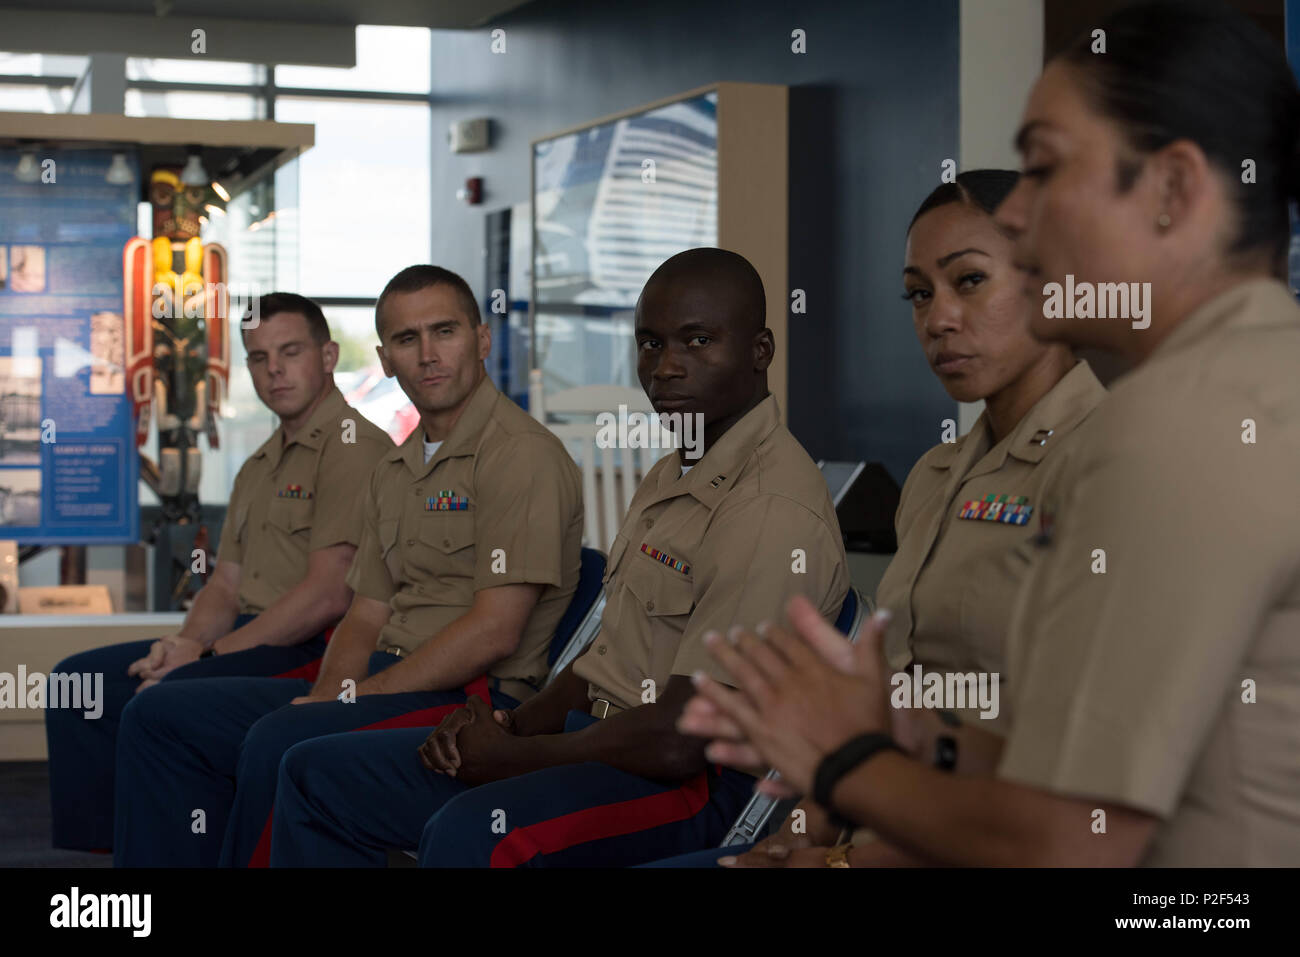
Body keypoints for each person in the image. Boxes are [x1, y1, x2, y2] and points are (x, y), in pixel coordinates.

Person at [683, 0, 1300, 867]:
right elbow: (1086, 778)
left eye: (1044, 170)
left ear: (1174, 190)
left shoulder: (1175, 426)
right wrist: (905, 734)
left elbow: (1068, 846)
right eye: (920, 293)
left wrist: (840, 763)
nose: (1018, 217)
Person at [266, 247, 850, 867]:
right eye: (651, 344)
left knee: (472, 834)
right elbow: (604, 658)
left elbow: (683, 741)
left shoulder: (767, 508)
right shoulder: (673, 469)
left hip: (690, 788)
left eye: (698, 341)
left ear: (760, 352)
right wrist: (507, 727)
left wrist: (513, 758)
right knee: (315, 774)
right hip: (602, 740)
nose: (667, 368)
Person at [645, 171, 1107, 868]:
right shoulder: (933, 478)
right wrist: (803, 834)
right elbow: (892, 706)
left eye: (970, 281)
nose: (938, 318)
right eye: (919, 294)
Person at [112, 264, 584, 867]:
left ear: (482, 339)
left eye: (445, 332)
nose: (428, 355)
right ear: (386, 360)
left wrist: (356, 697)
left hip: (472, 698)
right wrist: (331, 693)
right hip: (387, 677)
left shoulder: (521, 457)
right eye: (408, 341)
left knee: (281, 740)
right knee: (161, 714)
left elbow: (495, 629)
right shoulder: (397, 467)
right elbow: (367, 611)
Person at [44, 292, 391, 853]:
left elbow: (329, 594)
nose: (273, 370)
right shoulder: (260, 463)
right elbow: (225, 584)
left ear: (327, 356)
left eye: (290, 351)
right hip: (251, 634)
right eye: (258, 357)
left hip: (312, 646)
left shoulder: (353, 447)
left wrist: (206, 658)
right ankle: (120, 863)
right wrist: (182, 641)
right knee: (76, 684)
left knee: (162, 700)